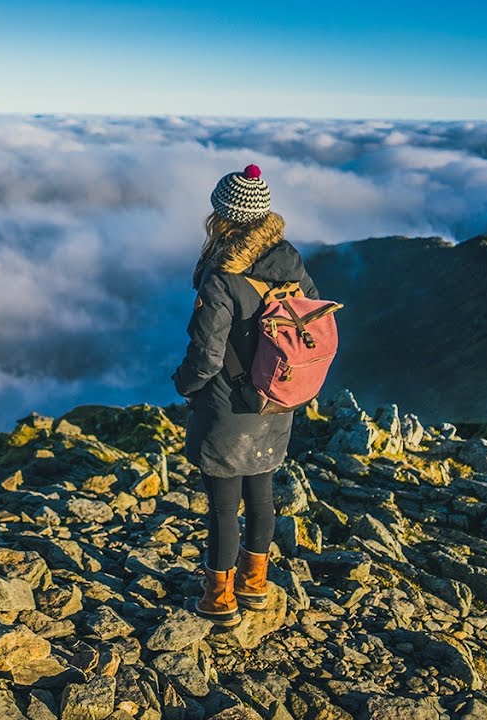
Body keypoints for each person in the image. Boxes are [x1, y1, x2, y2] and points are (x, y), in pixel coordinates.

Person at [171, 164, 319, 627]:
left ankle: (220, 599)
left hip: (228, 409)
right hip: (278, 402)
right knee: (261, 497)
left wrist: (184, 387)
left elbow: (206, 357)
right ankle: (254, 586)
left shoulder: (223, 278)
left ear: (223, 217)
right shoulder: (292, 265)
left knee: (221, 507)